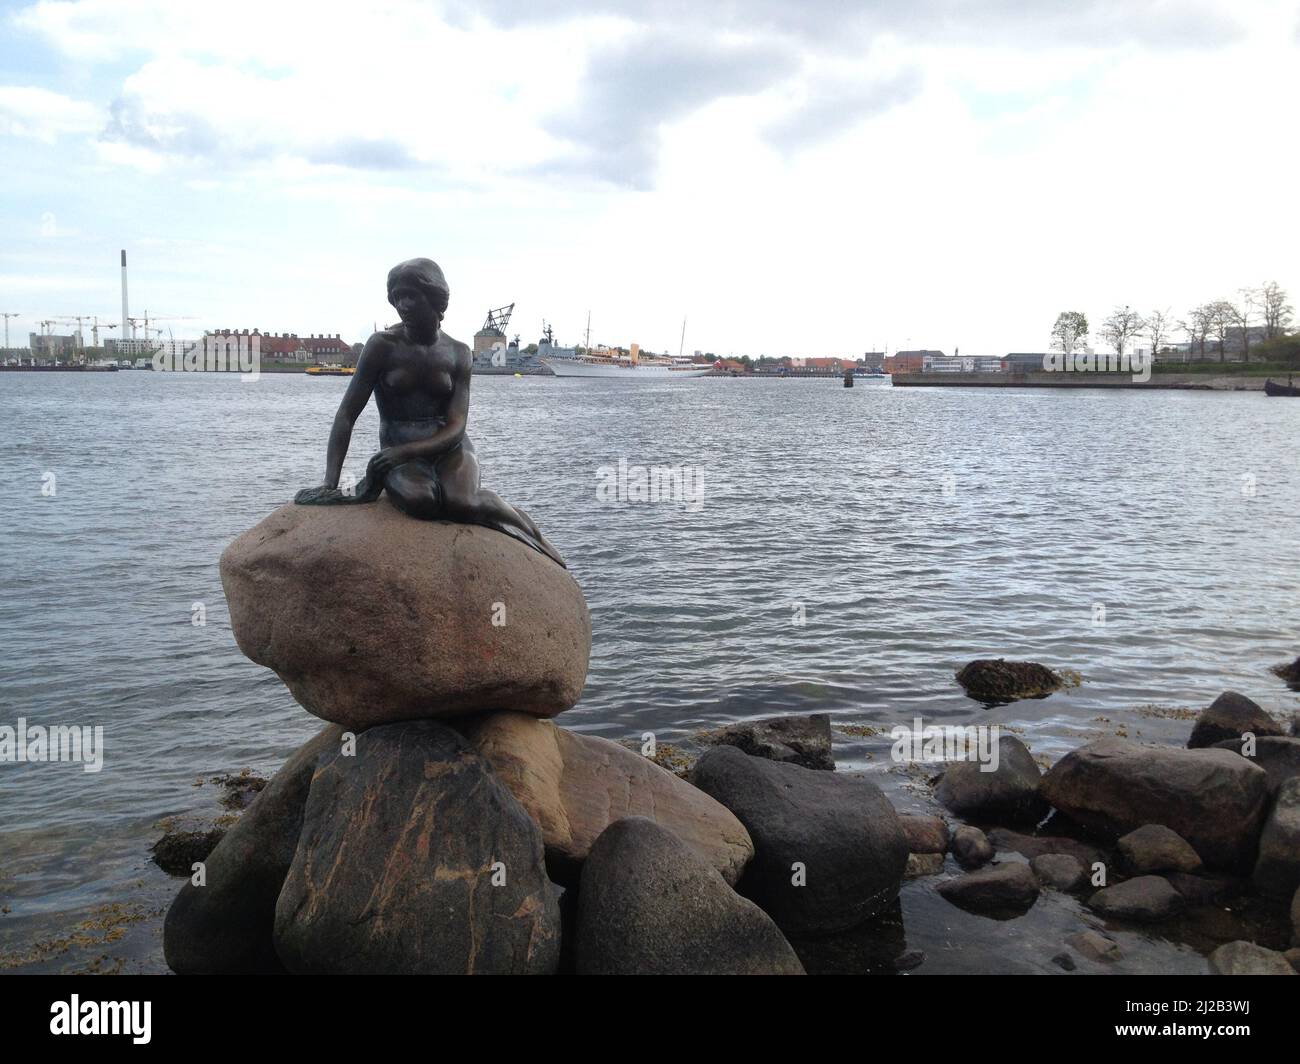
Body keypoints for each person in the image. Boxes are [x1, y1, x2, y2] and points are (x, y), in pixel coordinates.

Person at [295, 258, 565, 567]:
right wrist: (330, 483)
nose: (403, 305)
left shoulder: (459, 352)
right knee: (421, 501)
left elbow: (457, 425)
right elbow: (346, 415)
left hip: (449, 445)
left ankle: (532, 533)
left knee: (461, 501)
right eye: (396, 297)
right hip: (400, 447)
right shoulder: (381, 346)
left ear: (435, 297)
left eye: (411, 295)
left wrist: (403, 453)